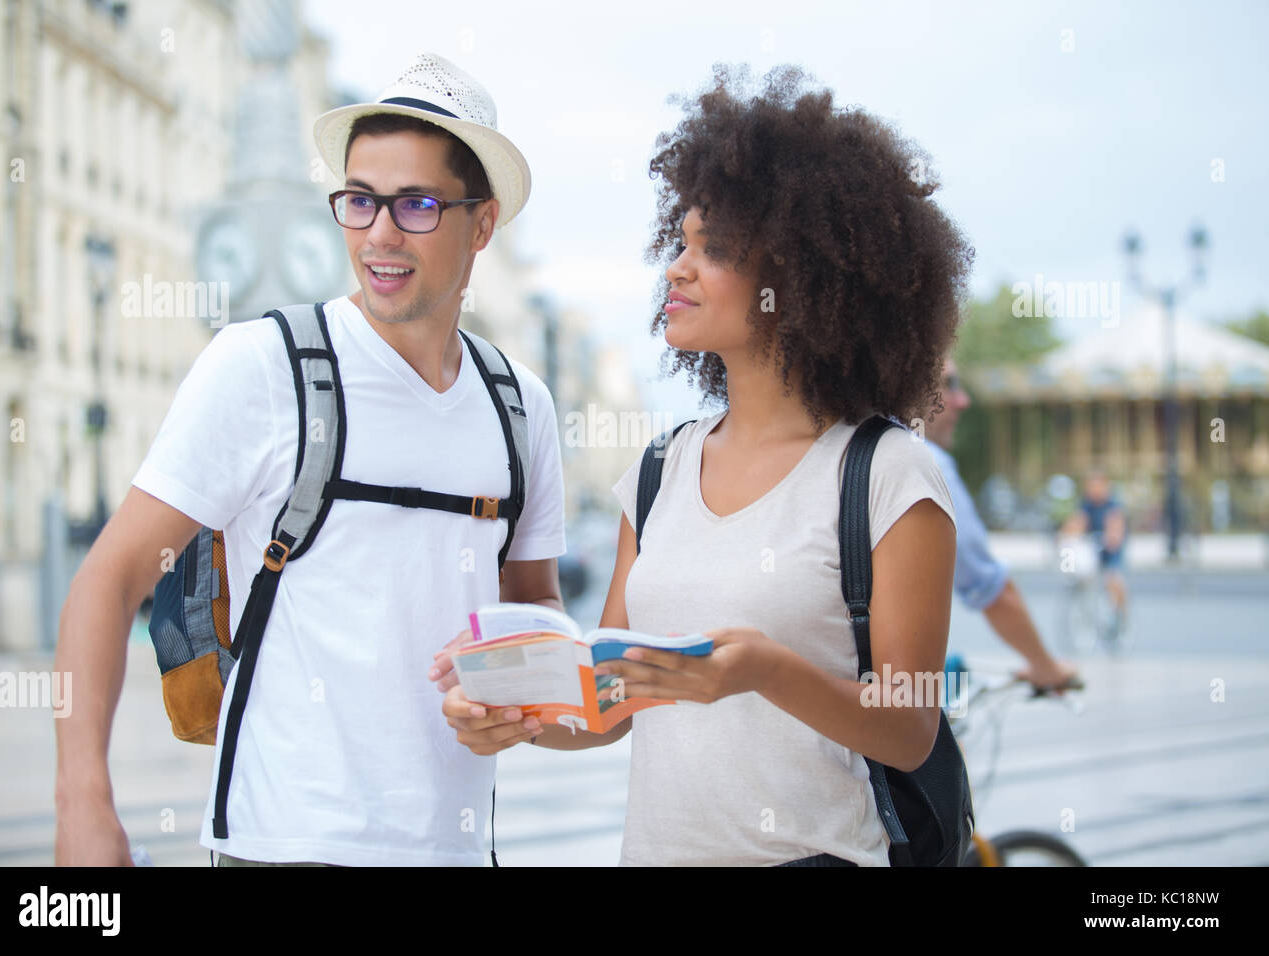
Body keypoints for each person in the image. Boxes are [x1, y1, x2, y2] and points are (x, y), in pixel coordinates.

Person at [438, 64, 971, 866]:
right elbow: (608, 703)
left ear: (797, 276)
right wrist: (508, 718)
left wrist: (764, 670)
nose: (675, 269)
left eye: (712, 249)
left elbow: (907, 728)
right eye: (679, 243)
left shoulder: (889, 476)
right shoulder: (656, 474)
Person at [53, 52, 566, 866]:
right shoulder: (261, 367)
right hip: (279, 844)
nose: (380, 235)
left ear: (483, 223)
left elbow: (537, 622)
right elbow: (106, 582)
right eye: (359, 201)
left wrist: (526, 698)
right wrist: (82, 806)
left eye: (417, 204)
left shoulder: (519, 406)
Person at [922, 357, 1079, 688]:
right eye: (947, 385)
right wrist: (1046, 667)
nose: (963, 400)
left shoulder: (845, 447)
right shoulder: (923, 462)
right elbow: (988, 586)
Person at [1060, 466, 1129, 637]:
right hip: (1093, 546)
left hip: (1110, 549)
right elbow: (1077, 521)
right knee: (1075, 557)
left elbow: (1115, 525)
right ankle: (1070, 576)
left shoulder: (1112, 505)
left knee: (1112, 578)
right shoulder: (1086, 504)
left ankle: (1121, 615)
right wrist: (1066, 535)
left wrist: (1112, 538)